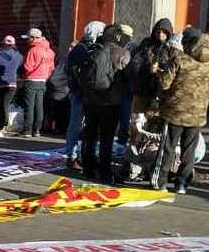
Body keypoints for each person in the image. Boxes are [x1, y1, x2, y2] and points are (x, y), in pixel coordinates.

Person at [154, 28, 209, 194]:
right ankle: (182, 184)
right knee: (189, 151)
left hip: (175, 112)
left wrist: (158, 72)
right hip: (198, 114)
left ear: (187, 43)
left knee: (168, 147)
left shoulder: (179, 60)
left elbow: (165, 83)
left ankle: (161, 182)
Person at [78, 25, 131, 183]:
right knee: (106, 139)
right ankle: (104, 172)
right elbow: (128, 77)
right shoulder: (122, 53)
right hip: (111, 102)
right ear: (117, 37)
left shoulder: (93, 50)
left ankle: (87, 169)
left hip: (91, 101)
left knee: (90, 135)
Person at [63, 21, 107, 170]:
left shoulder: (95, 47)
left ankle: (86, 154)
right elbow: (73, 72)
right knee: (76, 125)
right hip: (80, 93)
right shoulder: (80, 49)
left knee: (90, 127)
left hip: (90, 94)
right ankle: (71, 156)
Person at [18, 27, 55, 137]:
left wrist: (23, 74)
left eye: (28, 38)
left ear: (33, 38)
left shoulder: (33, 50)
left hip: (31, 80)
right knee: (39, 106)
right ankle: (37, 129)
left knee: (29, 106)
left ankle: (27, 130)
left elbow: (27, 67)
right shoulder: (50, 51)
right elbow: (52, 67)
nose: (27, 40)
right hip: (43, 81)